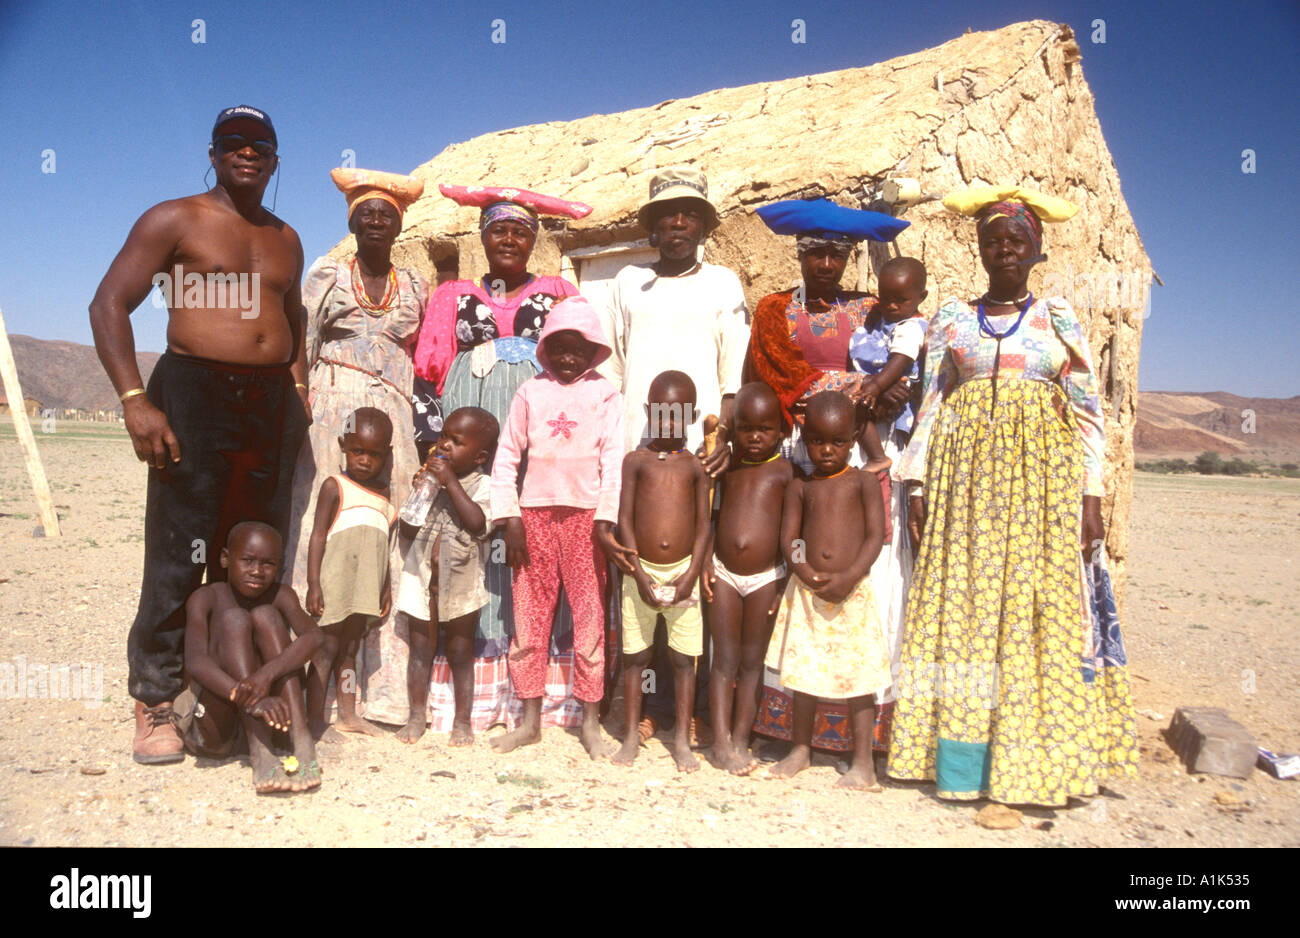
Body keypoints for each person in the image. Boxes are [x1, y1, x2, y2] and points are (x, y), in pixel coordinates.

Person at [889, 186, 1139, 805]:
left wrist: (1091, 495)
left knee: (1035, 610)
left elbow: (1086, 412)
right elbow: (932, 403)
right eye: (992, 240)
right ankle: (961, 766)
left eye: (1016, 241)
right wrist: (917, 481)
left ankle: (1033, 762)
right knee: (966, 611)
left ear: (1036, 250)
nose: (1004, 250)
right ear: (979, 249)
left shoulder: (1057, 318)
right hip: (963, 486)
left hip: (1041, 491)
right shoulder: (952, 318)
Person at [89, 105, 310, 764]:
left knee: (252, 550)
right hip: (195, 391)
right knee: (179, 549)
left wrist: (296, 391)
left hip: (269, 404)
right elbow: (108, 304)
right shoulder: (174, 219)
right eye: (233, 142)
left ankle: (229, 688)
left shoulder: (286, 237)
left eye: (260, 145)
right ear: (213, 154)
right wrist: (134, 398)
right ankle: (155, 697)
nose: (247, 152)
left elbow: (291, 317)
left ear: (274, 160)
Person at [412, 184, 592, 733]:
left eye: (520, 230)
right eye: (498, 230)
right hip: (470, 418)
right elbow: (429, 373)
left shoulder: (560, 291)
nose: (509, 239)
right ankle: (471, 691)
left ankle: (537, 688)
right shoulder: (455, 296)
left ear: (534, 240)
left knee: (527, 532)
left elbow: (579, 360)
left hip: (541, 422)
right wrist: (433, 442)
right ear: (482, 238)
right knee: (470, 533)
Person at [744, 197, 910, 758]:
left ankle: (864, 728)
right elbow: (764, 375)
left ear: (847, 261)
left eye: (834, 257)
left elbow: (901, 359)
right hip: (801, 442)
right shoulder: (773, 312)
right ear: (800, 254)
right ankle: (792, 725)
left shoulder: (870, 309)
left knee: (868, 570)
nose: (824, 265)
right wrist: (834, 389)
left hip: (860, 447)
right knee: (799, 554)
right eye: (814, 254)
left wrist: (887, 391)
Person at [599, 166, 749, 741]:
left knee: (693, 570)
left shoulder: (723, 283)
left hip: (698, 449)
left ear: (705, 224)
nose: (678, 223)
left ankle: (690, 708)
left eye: (688, 213)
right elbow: (612, 366)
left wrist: (724, 437)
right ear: (654, 229)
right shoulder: (626, 282)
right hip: (640, 446)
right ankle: (646, 704)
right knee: (642, 569)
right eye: (666, 216)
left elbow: (732, 370)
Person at [283, 167, 428, 729]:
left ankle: (377, 689)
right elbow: (301, 337)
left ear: (398, 225)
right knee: (322, 520)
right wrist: (299, 396)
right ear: (352, 220)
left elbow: (424, 354)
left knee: (389, 530)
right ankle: (308, 679)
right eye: (365, 211)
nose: (375, 219)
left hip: (392, 413)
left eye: (386, 213)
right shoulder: (326, 274)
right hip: (330, 410)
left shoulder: (414, 285)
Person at [489, 296, 628, 758]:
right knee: (529, 618)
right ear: (546, 347)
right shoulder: (531, 392)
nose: (569, 359)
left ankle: (589, 722)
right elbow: (507, 457)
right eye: (561, 348)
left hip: (587, 519)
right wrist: (509, 517)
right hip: (533, 518)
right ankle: (529, 720)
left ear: (594, 353)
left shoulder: (605, 394)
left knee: (589, 619)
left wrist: (605, 521)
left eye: (579, 350)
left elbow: (613, 463)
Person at [764, 392, 889, 790]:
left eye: (837, 441)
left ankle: (863, 761)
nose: (827, 450)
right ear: (805, 439)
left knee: (858, 678)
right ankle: (800, 748)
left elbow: (875, 536)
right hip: (807, 593)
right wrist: (802, 568)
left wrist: (850, 575)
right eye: (817, 441)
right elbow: (791, 538)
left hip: (852, 594)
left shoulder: (864, 482)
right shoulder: (802, 487)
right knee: (804, 674)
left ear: (853, 439)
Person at [611, 372, 712, 772]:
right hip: (641, 574)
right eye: (661, 412)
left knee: (683, 659)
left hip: (683, 573)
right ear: (649, 412)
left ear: (691, 416)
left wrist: (691, 574)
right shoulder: (635, 462)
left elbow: (704, 526)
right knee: (637, 658)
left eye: (678, 413)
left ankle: (680, 743)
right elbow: (625, 522)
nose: (669, 421)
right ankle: (632, 735)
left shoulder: (694, 467)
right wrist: (636, 572)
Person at [178, 522, 323, 793]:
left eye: (268, 563)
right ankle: (259, 750)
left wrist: (264, 676)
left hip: (274, 720)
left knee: (266, 616)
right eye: (247, 561)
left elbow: (314, 636)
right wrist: (248, 696)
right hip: (216, 729)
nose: (257, 571)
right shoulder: (205, 597)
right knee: (234, 620)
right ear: (225, 559)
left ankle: (301, 739)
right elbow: (196, 662)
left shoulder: (280, 594)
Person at [393, 407, 499, 745]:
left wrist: (450, 483)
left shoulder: (484, 485)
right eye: (443, 437)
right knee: (420, 652)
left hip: (463, 586)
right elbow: (407, 529)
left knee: (459, 653)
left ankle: (463, 722)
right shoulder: (428, 479)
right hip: (422, 581)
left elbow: (479, 525)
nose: (445, 446)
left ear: (480, 456)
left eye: (457, 442)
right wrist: (422, 491)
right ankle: (414, 716)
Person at [702, 382, 793, 774]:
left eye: (765, 429)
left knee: (752, 662)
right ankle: (720, 742)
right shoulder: (726, 467)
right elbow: (707, 518)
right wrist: (705, 560)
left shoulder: (787, 473)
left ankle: (742, 737)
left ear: (782, 432)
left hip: (766, 578)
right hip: (723, 572)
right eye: (745, 428)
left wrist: (791, 577)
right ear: (733, 428)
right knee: (723, 659)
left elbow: (797, 534)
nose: (754, 438)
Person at [304, 408, 397, 739]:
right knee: (325, 650)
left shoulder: (386, 497)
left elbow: (383, 546)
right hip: (335, 587)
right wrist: (314, 584)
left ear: (387, 454)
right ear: (344, 445)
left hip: (365, 591)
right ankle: (312, 717)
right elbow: (317, 536)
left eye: (374, 454)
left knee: (349, 652)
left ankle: (348, 715)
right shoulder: (335, 486)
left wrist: (384, 588)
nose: (365, 461)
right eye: (358, 451)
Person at [848, 256, 929, 473]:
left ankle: (878, 457)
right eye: (885, 299)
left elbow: (899, 361)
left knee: (860, 414)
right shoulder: (882, 322)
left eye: (901, 300)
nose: (891, 306)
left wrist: (875, 386)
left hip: (892, 393)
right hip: (879, 389)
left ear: (921, 297)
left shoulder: (910, 327)